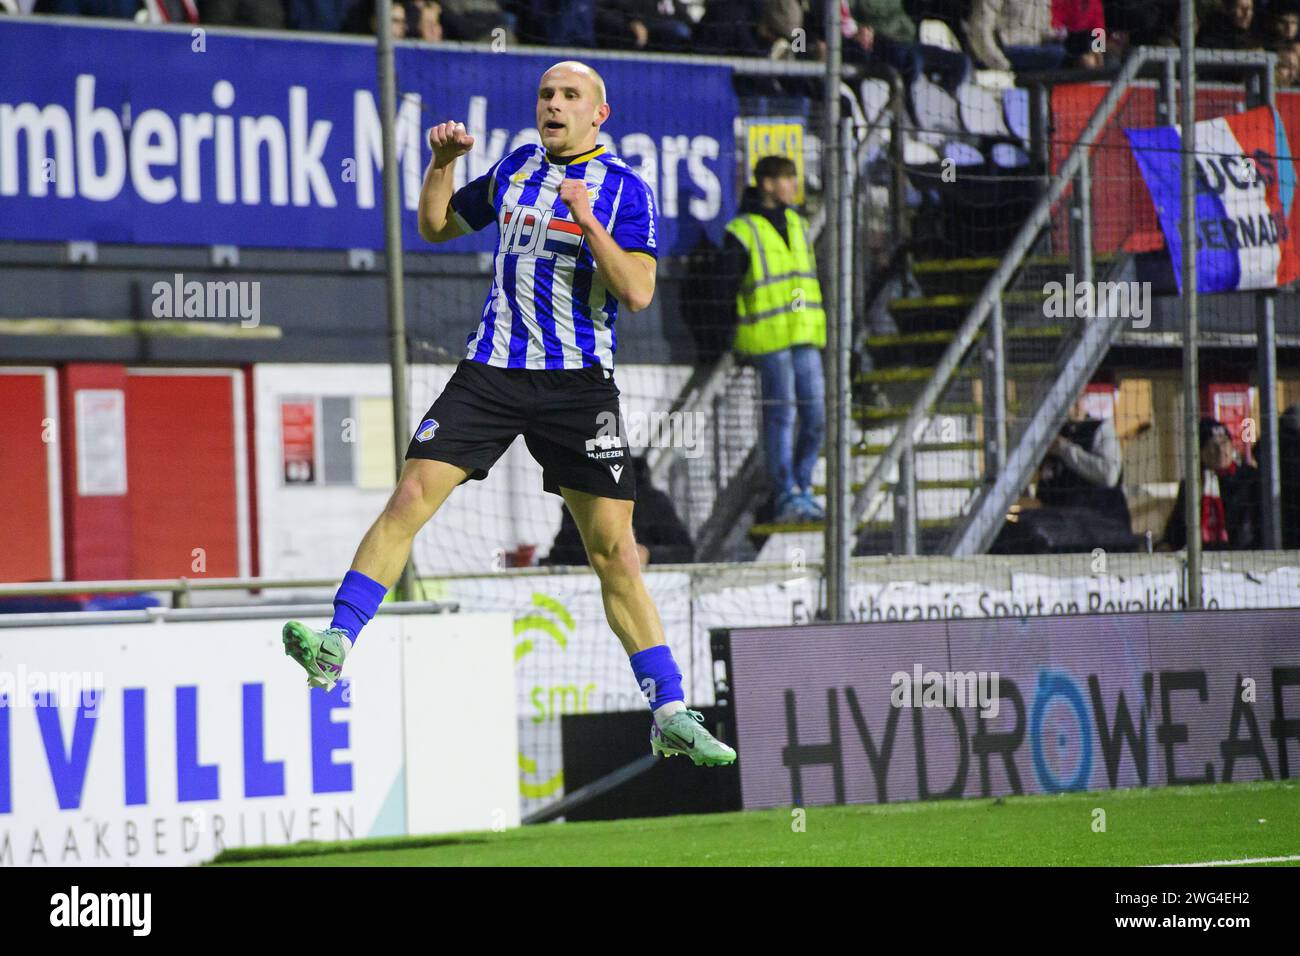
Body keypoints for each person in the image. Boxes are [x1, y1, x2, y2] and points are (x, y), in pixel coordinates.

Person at [282, 61, 736, 768]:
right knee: (410, 493)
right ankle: (336, 643)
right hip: (492, 371)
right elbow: (435, 225)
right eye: (546, 95)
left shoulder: (624, 189)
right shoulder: (515, 167)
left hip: (578, 387)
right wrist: (440, 164)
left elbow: (639, 292)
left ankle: (671, 710)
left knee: (614, 551)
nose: (553, 105)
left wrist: (588, 223)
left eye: (569, 96)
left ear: (598, 115)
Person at [721, 155, 827, 524]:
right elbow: (726, 290)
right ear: (767, 184)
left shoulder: (798, 223)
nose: (793, 186)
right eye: (786, 179)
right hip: (769, 339)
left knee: (816, 416)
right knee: (782, 416)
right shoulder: (742, 230)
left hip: (805, 335)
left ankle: (802, 485)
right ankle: (786, 493)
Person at [544, 456, 695, 565]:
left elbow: (686, 552)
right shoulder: (580, 501)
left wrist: (649, 555)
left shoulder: (652, 502)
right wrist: (600, 554)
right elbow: (560, 553)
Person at [1162, 417, 1263, 551]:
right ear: (1201, 452)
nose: (1220, 450)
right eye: (1212, 445)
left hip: (1246, 556)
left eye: (1224, 442)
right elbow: (1176, 530)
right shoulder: (1193, 484)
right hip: (1204, 559)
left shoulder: (1249, 479)